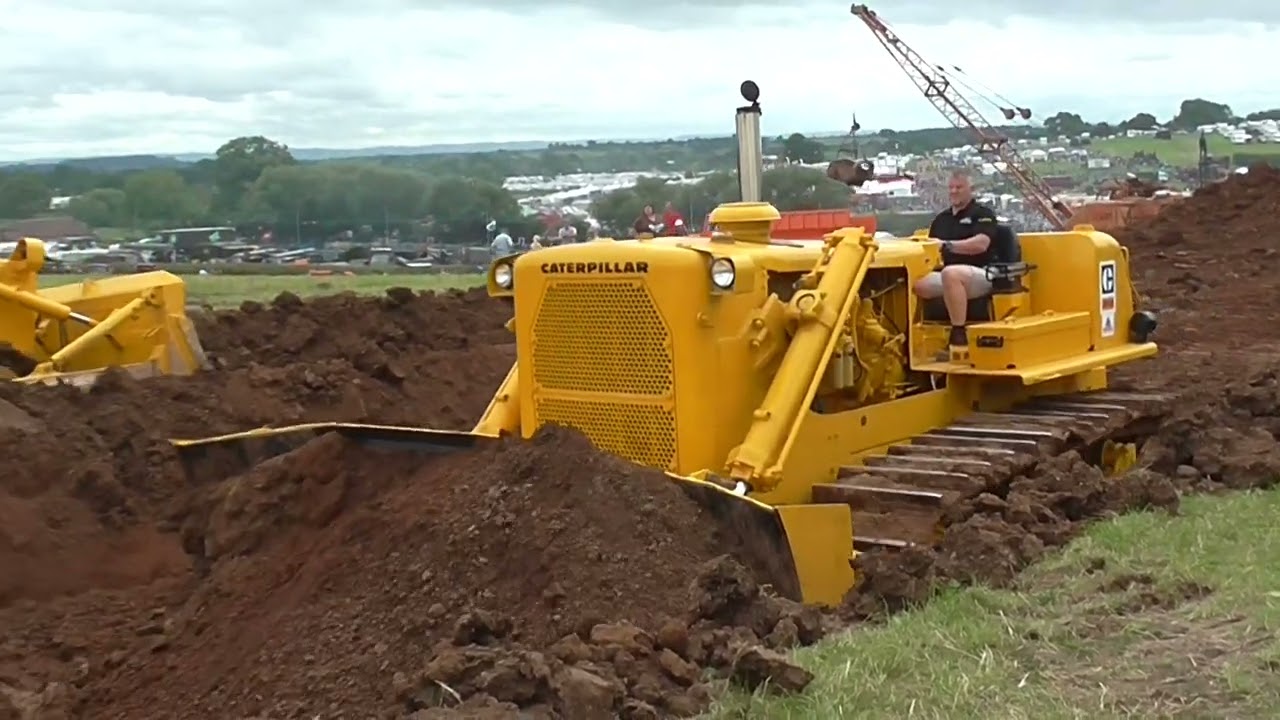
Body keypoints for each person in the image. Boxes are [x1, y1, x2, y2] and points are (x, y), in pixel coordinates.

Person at [912, 170, 1000, 357]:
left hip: (981, 274)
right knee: (918, 283)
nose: (954, 191)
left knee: (951, 274)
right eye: (951, 187)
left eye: (959, 187)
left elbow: (981, 244)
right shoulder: (941, 220)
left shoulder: (983, 214)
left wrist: (948, 246)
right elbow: (930, 248)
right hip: (949, 275)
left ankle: (958, 332)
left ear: (971, 189)